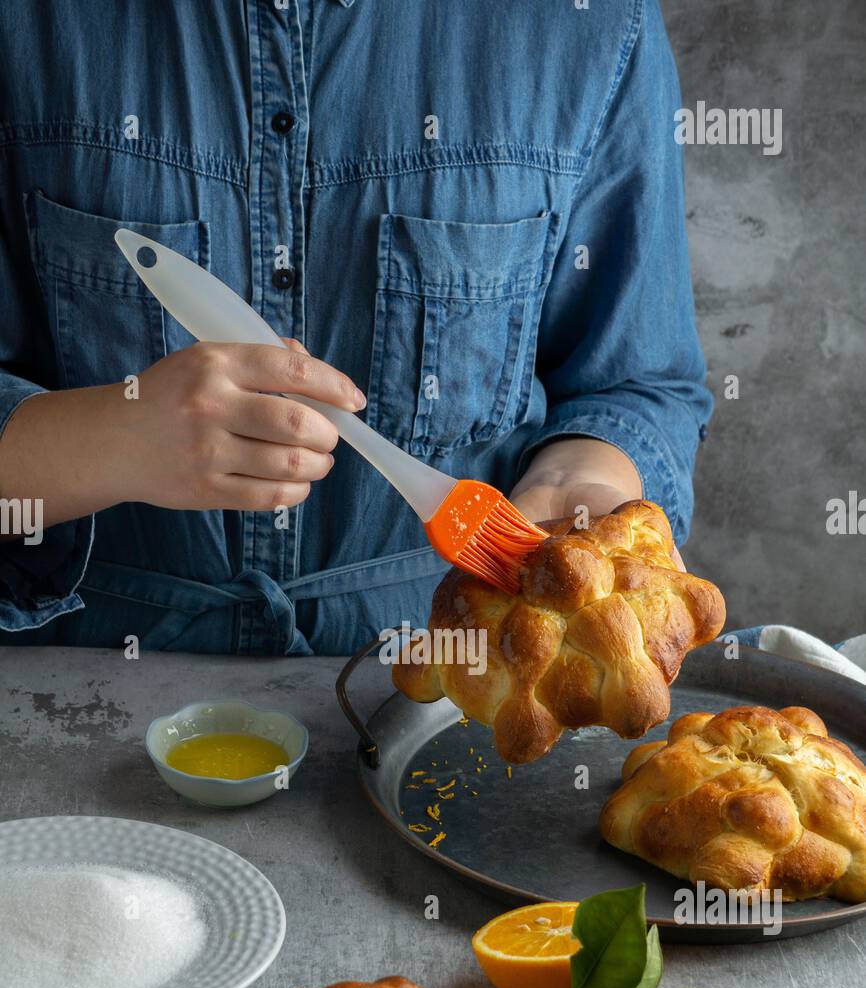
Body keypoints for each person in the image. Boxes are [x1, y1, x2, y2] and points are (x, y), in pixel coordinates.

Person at [0, 0, 710, 657]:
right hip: (80, 684)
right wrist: (108, 435)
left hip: (443, 683)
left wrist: (581, 477)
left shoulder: (591, 23)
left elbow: (635, 381)